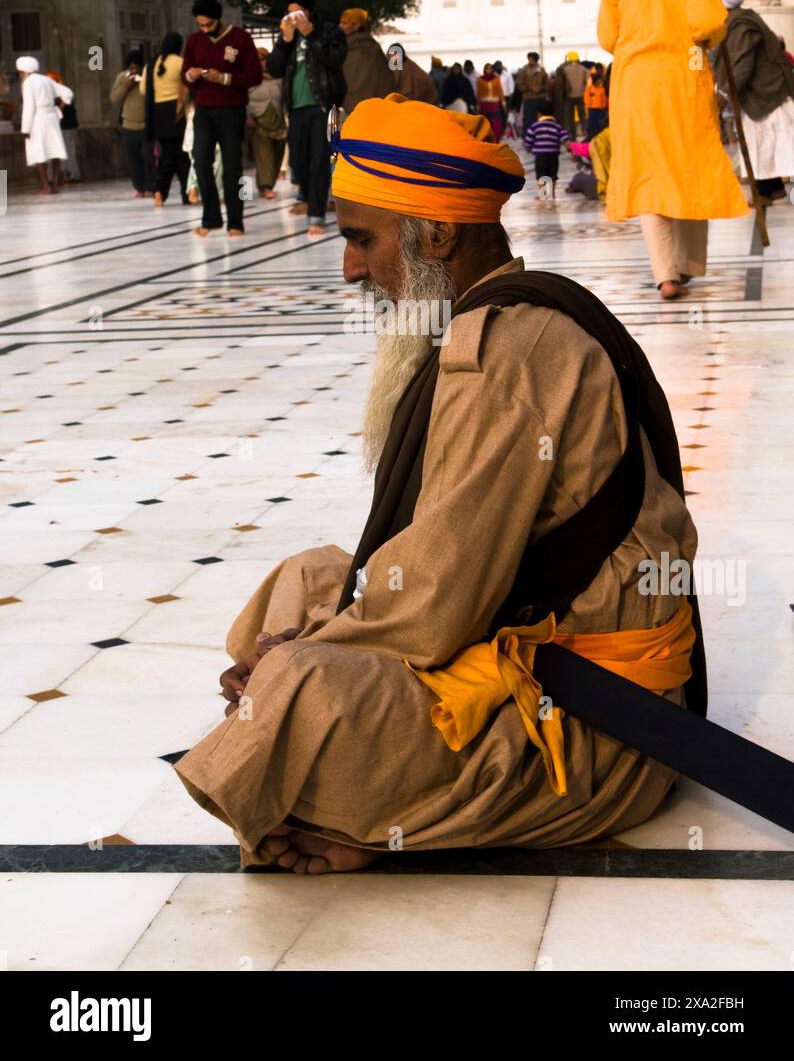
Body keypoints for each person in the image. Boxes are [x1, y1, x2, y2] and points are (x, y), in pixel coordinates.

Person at [175, 92, 703, 874]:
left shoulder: (505, 354)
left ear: (438, 232)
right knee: (307, 579)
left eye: (362, 239)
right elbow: (432, 567)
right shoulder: (499, 321)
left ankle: (339, 809)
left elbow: (434, 602)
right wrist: (309, 632)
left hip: (595, 734)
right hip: (523, 652)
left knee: (297, 684)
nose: (351, 268)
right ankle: (343, 804)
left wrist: (300, 654)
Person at [597, 0, 749, 300]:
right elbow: (707, 27)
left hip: (633, 85)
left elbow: (607, 36)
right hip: (683, 79)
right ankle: (687, 265)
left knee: (649, 174)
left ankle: (665, 273)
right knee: (688, 167)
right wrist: (713, 30)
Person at [268, 0, 347, 238]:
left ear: (309, 12)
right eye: (289, 13)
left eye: (297, 12)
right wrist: (284, 41)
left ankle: (317, 214)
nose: (292, 17)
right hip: (296, 108)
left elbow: (336, 59)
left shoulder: (329, 31)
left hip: (322, 105)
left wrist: (310, 34)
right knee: (297, 161)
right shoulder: (287, 38)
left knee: (319, 161)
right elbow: (273, 68)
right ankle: (308, 196)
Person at [181, 0, 262, 239]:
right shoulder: (194, 41)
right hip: (204, 110)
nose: (205, 29)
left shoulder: (239, 38)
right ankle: (211, 218)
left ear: (218, 19)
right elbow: (184, 77)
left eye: (208, 24)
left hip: (231, 109)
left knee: (232, 166)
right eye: (201, 25)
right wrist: (192, 75)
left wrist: (224, 78)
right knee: (201, 160)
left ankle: (236, 221)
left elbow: (255, 75)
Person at [712, 0, 794, 207]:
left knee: (777, 145)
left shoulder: (740, 25)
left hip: (770, 95)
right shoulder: (733, 23)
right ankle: (769, 189)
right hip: (758, 97)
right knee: (761, 145)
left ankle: (767, 190)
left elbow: (742, 66)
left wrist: (725, 94)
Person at [140, 32, 189, 208]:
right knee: (182, 155)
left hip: (157, 114)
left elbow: (143, 90)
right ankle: (187, 193)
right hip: (176, 112)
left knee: (167, 154)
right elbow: (188, 86)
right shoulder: (179, 62)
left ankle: (159, 192)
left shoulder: (150, 64)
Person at [17, 57, 72, 194]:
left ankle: (46, 186)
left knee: (38, 151)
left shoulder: (28, 83)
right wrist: (59, 109)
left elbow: (29, 107)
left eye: (20, 72)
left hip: (38, 119)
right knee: (55, 151)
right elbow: (67, 93)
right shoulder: (46, 79)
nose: (19, 74)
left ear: (24, 70)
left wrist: (25, 129)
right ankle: (55, 186)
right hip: (52, 118)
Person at [111, 49, 154, 198]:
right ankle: (139, 187)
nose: (134, 71)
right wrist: (126, 86)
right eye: (131, 68)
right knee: (133, 159)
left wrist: (142, 82)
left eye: (137, 68)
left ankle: (151, 186)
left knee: (148, 157)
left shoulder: (148, 76)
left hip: (145, 125)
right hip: (128, 125)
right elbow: (114, 97)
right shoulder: (122, 78)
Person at [247, 48, 286, 198]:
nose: (262, 62)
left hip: (278, 121)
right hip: (258, 121)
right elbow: (243, 99)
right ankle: (266, 187)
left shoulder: (277, 77)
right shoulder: (249, 79)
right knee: (264, 154)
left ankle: (266, 184)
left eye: (264, 59)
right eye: (259, 59)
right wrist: (247, 117)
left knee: (277, 154)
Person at [338, 8, 394, 113]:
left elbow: (383, 80)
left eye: (345, 23)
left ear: (356, 26)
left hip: (371, 107)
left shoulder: (371, 49)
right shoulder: (344, 48)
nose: (340, 26)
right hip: (354, 105)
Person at [523, 98, 567, 200]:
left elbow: (528, 141)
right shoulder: (558, 126)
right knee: (553, 174)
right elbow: (565, 138)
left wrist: (528, 148)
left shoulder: (534, 127)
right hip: (553, 155)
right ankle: (553, 194)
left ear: (539, 114)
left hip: (540, 155)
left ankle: (543, 194)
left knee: (541, 174)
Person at [46, 70, 81, 184]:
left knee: (69, 151)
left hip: (67, 126)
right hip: (60, 127)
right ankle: (62, 175)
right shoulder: (53, 93)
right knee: (61, 152)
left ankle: (73, 175)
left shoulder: (62, 91)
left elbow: (63, 105)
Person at [515, 52, 550, 134]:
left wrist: (541, 88)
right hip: (529, 98)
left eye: (532, 60)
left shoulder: (542, 70)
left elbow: (547, 83)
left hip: (541, 98)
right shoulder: (523, 70)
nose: (530, 61)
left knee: (541, 119)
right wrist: (530, 88)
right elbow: (519, 85)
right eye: (529, 59)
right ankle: (528, 136)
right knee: (528, 120)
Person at [476, 61, 506, 139]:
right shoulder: (481, 79)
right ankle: (486, 137)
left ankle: (496, 137)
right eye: (487, 68)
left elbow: (500, 91)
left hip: (494, 104)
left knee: (495, 122)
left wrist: (503, 102)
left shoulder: (496, 79)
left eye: (490, 68)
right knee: (485, 122)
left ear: (492, 70)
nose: (488, 70)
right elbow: (479, 92)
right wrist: (478, 104)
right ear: (484, 69)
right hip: (484, 104)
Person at [560, 52, 588, 136]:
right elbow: (587, 81)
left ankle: (572, 132)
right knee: (582, 115)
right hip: (581, 95)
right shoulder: (583, 69)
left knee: (570, 116)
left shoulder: (566, 70)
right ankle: (584, 130)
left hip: (569, 96)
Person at [583, 66, 609, 139]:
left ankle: (598, 136)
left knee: (599, 124)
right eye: (599, 81)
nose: (600, 82)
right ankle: (590, 136)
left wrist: (603, 107)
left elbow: (603, 99)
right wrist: (588, 105)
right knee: (591, 124)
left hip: (600, 109)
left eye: (600, 81)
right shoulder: (590, 88)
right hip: (592, 109)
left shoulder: (602, 89)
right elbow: (586, 97)